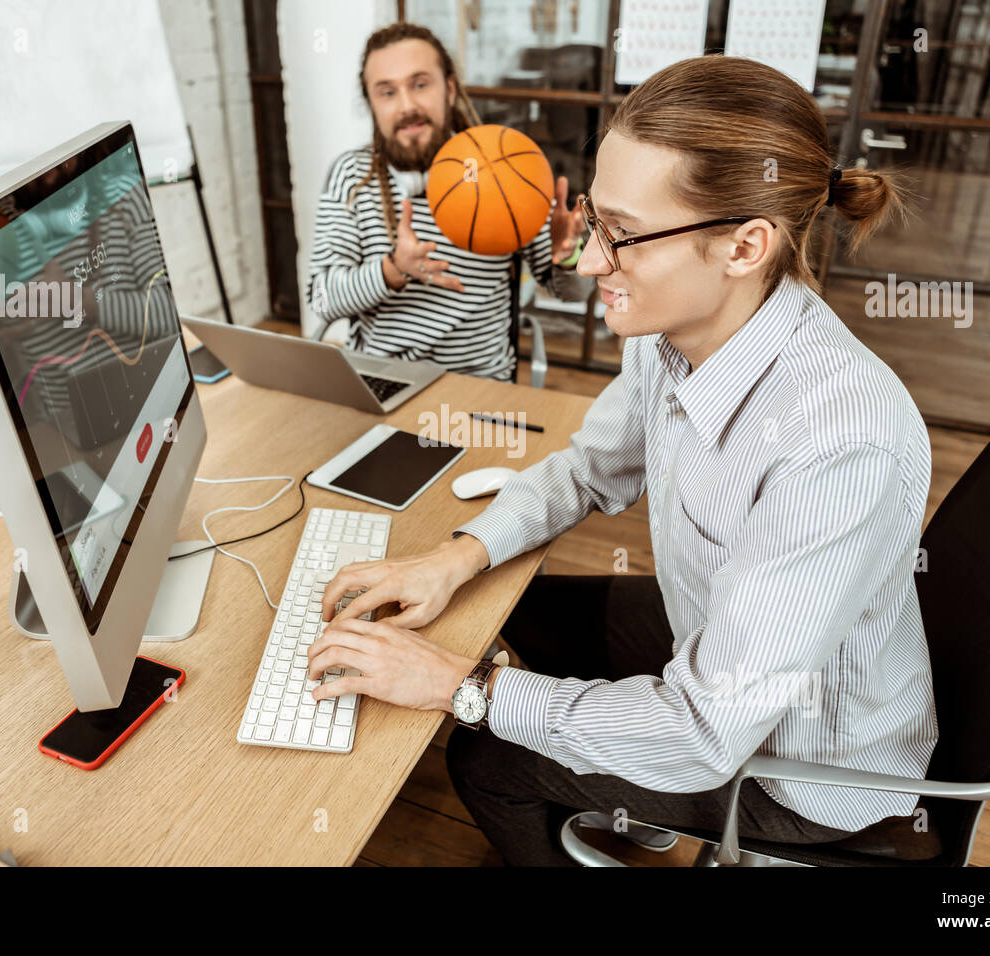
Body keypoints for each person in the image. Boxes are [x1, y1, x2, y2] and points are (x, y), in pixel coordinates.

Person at [306, 54, 939, 866]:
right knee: (509, 606)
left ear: (745, 245)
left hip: (799, 767)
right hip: (711, 641)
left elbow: (708, 732)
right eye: (597, 222)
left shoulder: (839, 441)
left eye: (625, 235)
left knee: (483, 756)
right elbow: (588, 470)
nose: (593, 260)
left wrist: (458, 688)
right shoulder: (679, 335)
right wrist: (452, 559)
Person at [306, 22, 590, 381]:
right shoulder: (351, 175)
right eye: (387, 92)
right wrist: (392, 270)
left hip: (481, 386)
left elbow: (572, 294)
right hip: (382, 381)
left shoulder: (506, 167)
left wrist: (569, 255)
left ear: (450, 88)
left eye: (420, 84)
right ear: (371, 103)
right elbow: (321, 299)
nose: (407, 105)